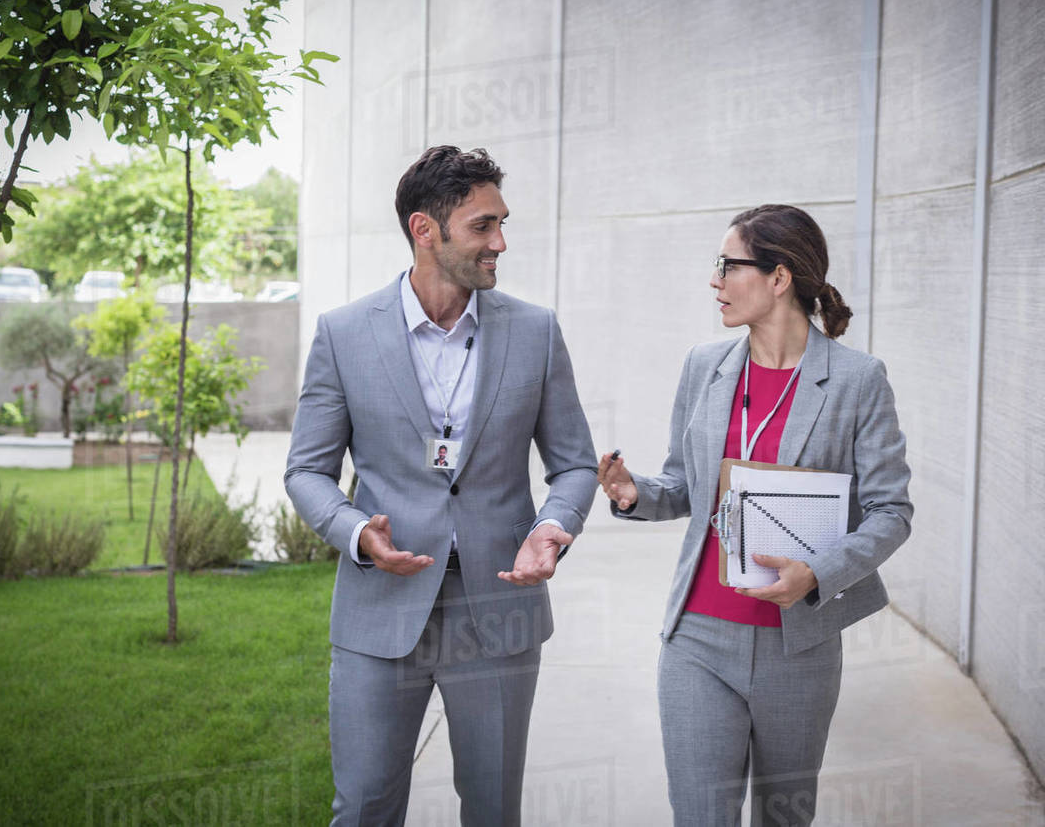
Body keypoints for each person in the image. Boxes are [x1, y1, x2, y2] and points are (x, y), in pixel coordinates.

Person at [284, 145, 597, 827]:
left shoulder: (536, 332)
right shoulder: (343, 335)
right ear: (425, 230)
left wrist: (552, 527)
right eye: (484, 226)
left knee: (492, 810)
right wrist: (354, 531)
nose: (501, 242)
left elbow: (574, 463)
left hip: (500, 608)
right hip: (380, 603)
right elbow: (307, 470)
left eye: (501, 223)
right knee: (364, 804)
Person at [597, 204, 912, 826]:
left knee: (783, 818)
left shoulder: (857, 381)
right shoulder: (703, 366)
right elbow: (686, 485)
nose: (715, 281)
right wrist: (635, 493)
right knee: (700, 816)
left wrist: (818, 573)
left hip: (798, 645)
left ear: (778, 277)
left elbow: (890, 511)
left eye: (728, 265)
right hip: (698, 638)